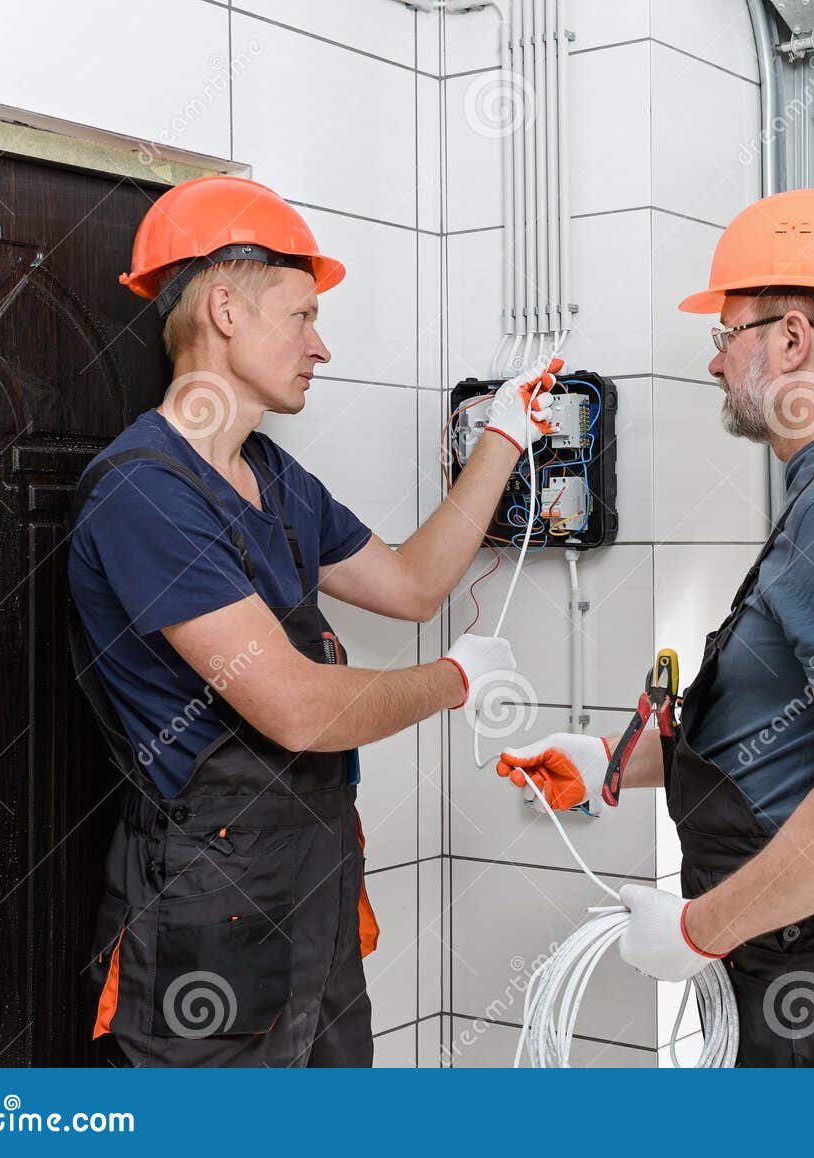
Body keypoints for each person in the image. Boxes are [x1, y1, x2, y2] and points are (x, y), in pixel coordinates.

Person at [496, 189, 814, 1067]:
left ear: (792, 338)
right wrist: (608, 763)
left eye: (727, 337)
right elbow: (792, 732)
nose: (716, 365)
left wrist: (698, 930)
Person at [69, 175, 553, 1066]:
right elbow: (296, 708)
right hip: (209, 896)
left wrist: (504, 441)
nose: (319, 346)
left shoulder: (275, 479)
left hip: (314, 875)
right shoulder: (147, 491)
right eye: (301, 316)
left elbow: (410, 586)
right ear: (224, 309)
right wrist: (457, 682)